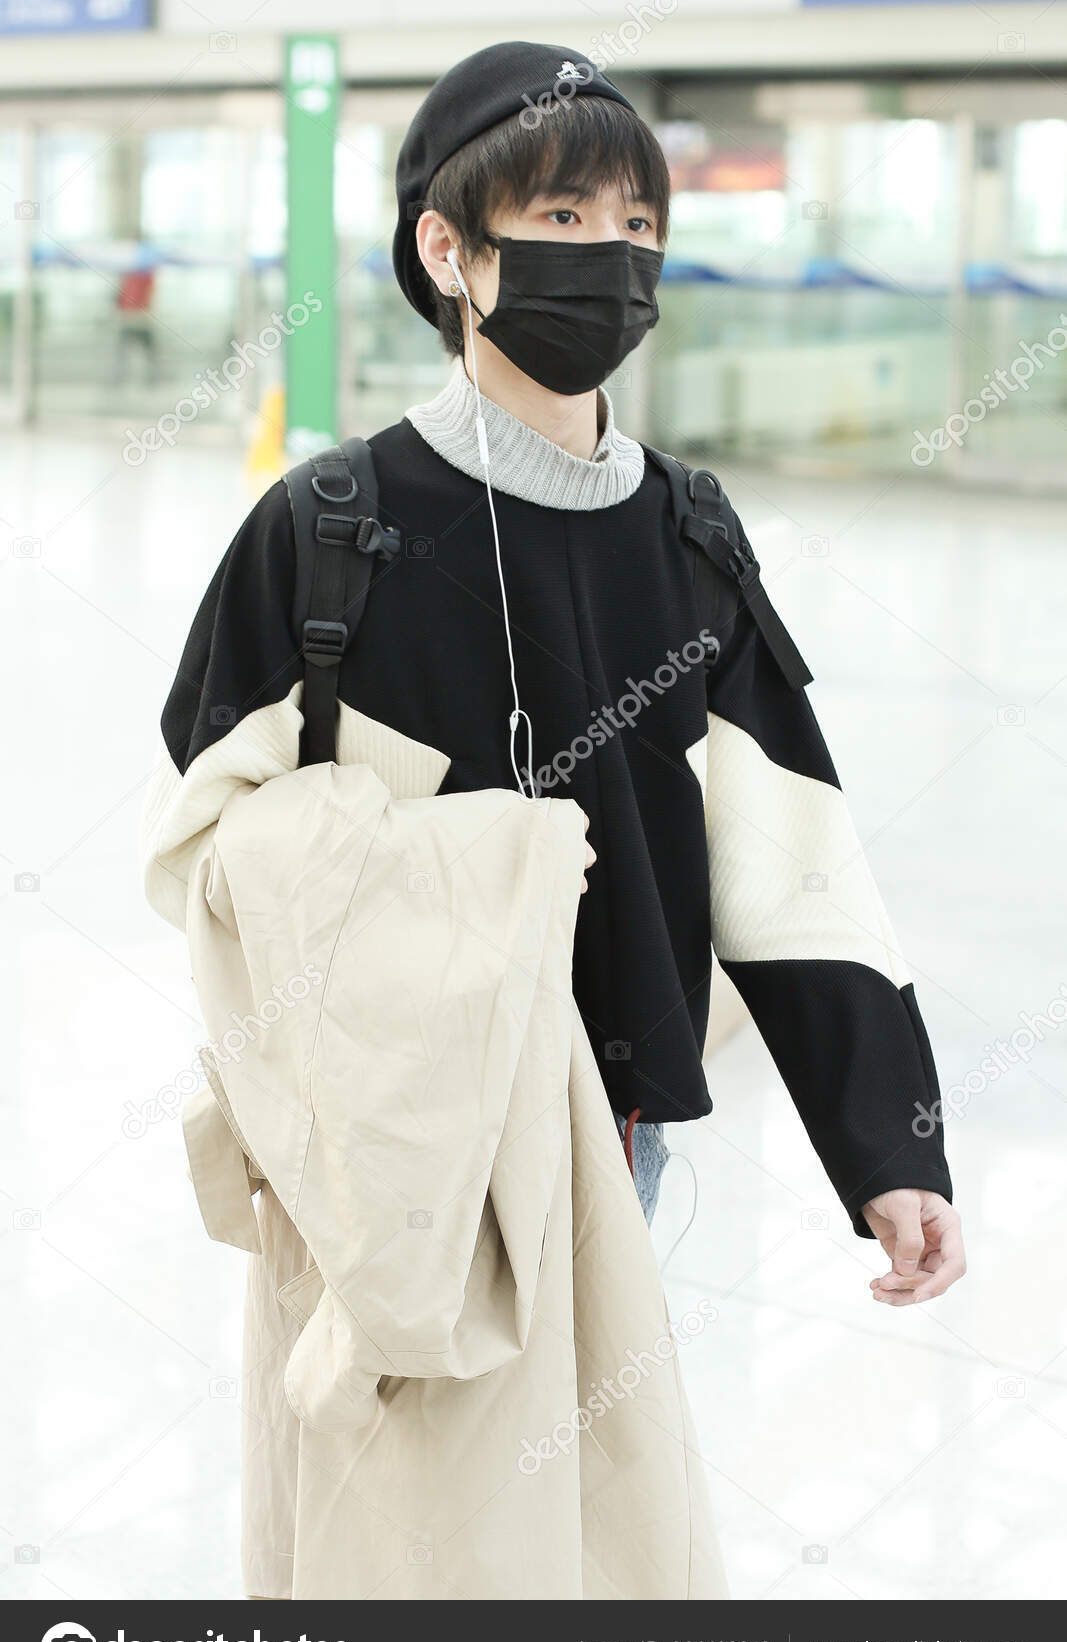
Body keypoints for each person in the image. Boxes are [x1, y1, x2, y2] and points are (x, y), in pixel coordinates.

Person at [145, 40, 963, 1316]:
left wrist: (888, 1145)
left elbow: (788, 852)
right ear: (447, 251)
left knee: (583, 1491)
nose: (613, 255)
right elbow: (206, 837)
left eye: (637, 222)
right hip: (382, 1124)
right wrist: (458, 875)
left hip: (612, 1121)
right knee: (387, 1494)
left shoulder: (684, 530)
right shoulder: (328, 525)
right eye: (562, 214)